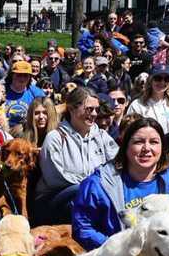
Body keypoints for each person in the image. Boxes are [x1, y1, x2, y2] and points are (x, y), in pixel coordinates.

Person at [72, 118, 169, 249]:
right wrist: (119, 249)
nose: (147, 149)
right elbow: (83, 229)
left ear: (162, 148)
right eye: (138, 142)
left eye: (154, 142)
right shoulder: (99, 183)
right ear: (125, 146)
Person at [31, 88, 117, 225]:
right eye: (89, 109)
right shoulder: (55, 138)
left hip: (94, 196)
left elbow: (116, 166)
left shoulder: (102, 137)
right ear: (71, 109)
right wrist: (92, 183)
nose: (94, 114)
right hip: (56, 201)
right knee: (81, 192)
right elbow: (55, 178)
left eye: (96, 109)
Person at [126, 64, 169, 131]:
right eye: (158, 78)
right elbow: (129, 129)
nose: (162, 82)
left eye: (166, 79)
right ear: (150, 80)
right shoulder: (137, 105)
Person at [3, 61, 46, 130]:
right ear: (12, 75)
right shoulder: (2, 91)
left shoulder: (37, 92)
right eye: (19, 75)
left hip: (28, 131)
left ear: (30, 77)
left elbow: (48, 110)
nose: (22, 78)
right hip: (6, 130)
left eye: (25, 75)